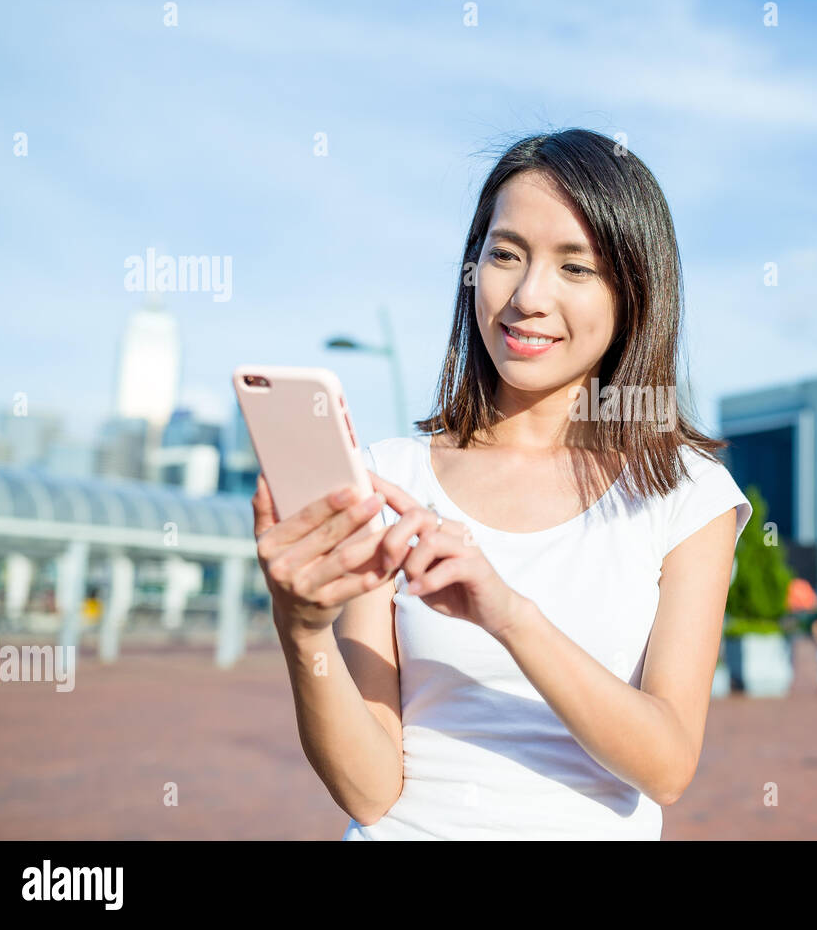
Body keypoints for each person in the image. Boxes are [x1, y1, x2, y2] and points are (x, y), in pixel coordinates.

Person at [251, 129, 752, 840]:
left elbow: (667, 765)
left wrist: (508, 615)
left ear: (635, 290)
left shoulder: (687, 495)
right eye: (506, 255)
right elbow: (367, 791)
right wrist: (301, 632)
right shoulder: (392, 476)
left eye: (576, 267)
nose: (527, 297)